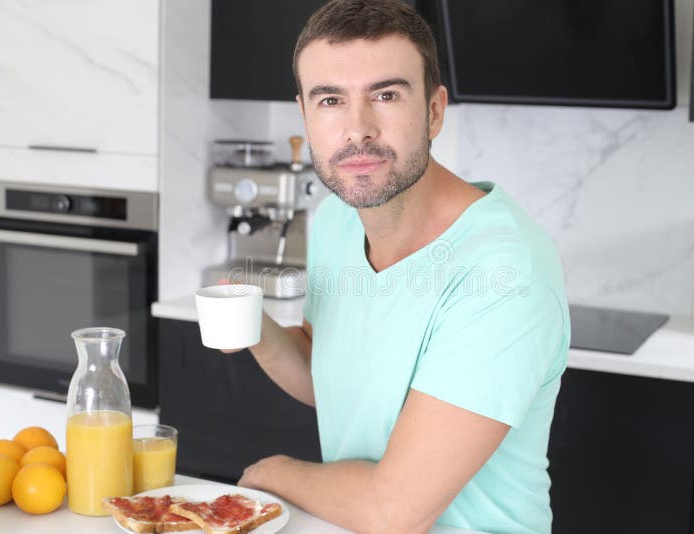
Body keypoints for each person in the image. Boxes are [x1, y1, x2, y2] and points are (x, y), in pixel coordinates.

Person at [231, 1, 570, 532]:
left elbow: (394, 510)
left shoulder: (504, 273)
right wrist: (253, 327)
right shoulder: (338, 220)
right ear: (305, 116)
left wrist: (269, 474)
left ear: (434, 110)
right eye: (330, 100)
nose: (357, 129)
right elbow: (336, 378)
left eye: (386, 95)